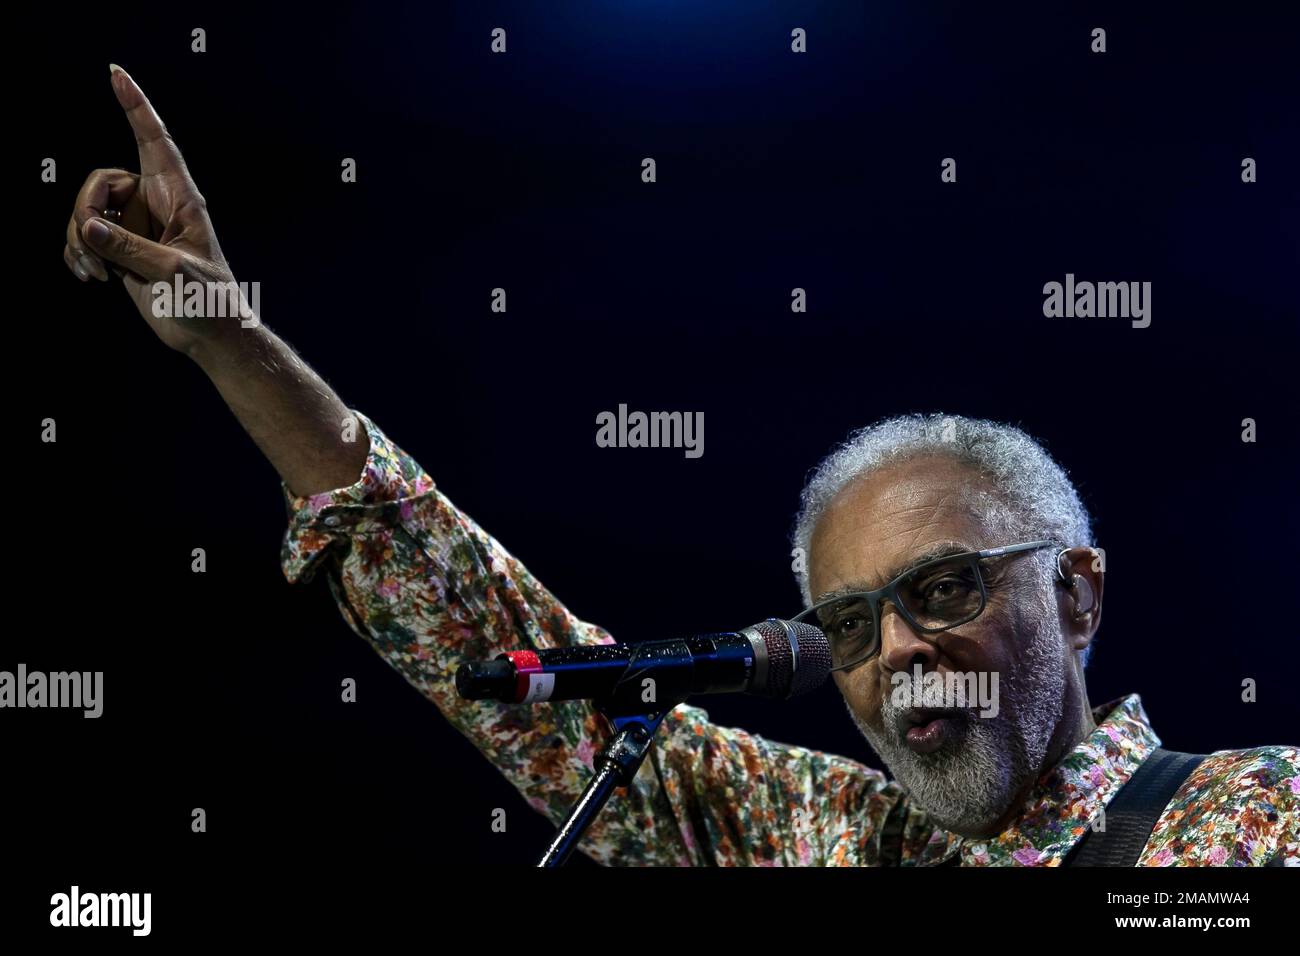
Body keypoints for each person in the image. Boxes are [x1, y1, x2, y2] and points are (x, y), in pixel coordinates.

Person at [65, 66, 1299, 866]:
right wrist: (235, 342)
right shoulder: (830, 837)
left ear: (1076, 593)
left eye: (944, 588)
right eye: (852, 623)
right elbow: (490, 645)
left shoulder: (1253, 825)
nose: (900, 650)